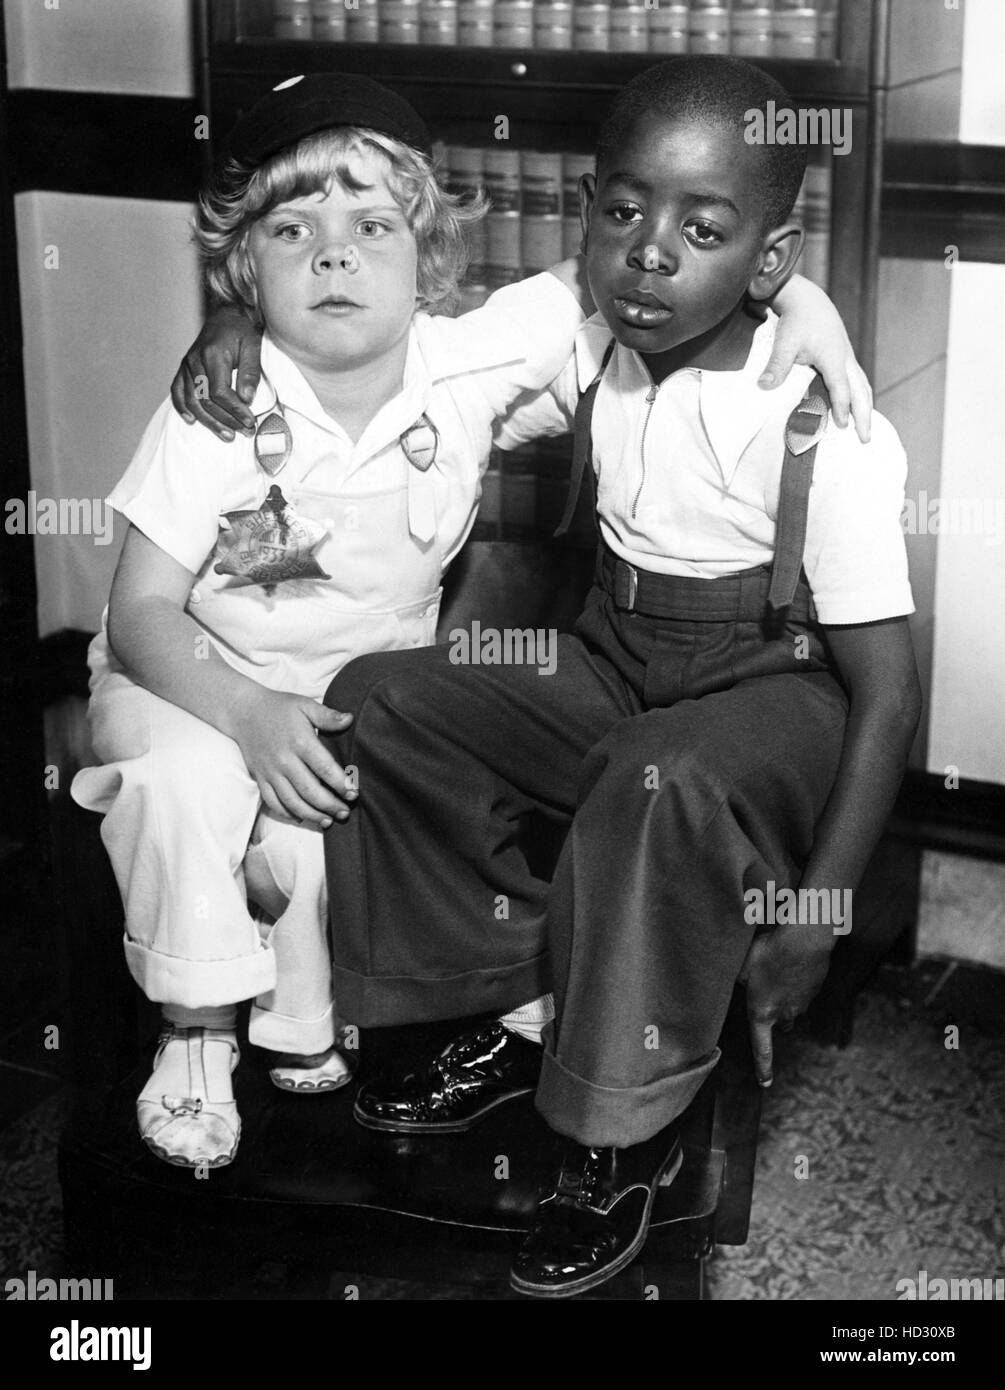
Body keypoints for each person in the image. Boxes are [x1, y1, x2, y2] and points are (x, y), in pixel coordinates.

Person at [312, 55, 922, 1298]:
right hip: (614, 655)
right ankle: (511, 1014)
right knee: (385, 702)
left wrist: (817, 916)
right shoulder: (593, 339)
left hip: (776, 691)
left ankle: (618, 1132)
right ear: (589, 211)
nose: (649, 254)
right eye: (623, 211)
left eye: (702, 231)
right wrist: (235, 320)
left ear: (770, 259)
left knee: (654, 783)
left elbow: (888, 698)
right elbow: (408, 356)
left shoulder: (820, 415)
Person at [70, 71, 598, 1170]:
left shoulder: (468, 361)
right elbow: (140, 613)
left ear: (431, 257)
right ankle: (196, 1032)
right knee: (188, 785)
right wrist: (248, 716)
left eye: (371, 226)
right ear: (243, 267)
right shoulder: (221, 404)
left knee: (320, 832)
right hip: (190, 674)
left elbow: (641, 271)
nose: (335, 255)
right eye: (293, 230)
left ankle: (327, 1008)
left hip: (355, 700)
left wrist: (800, 303)